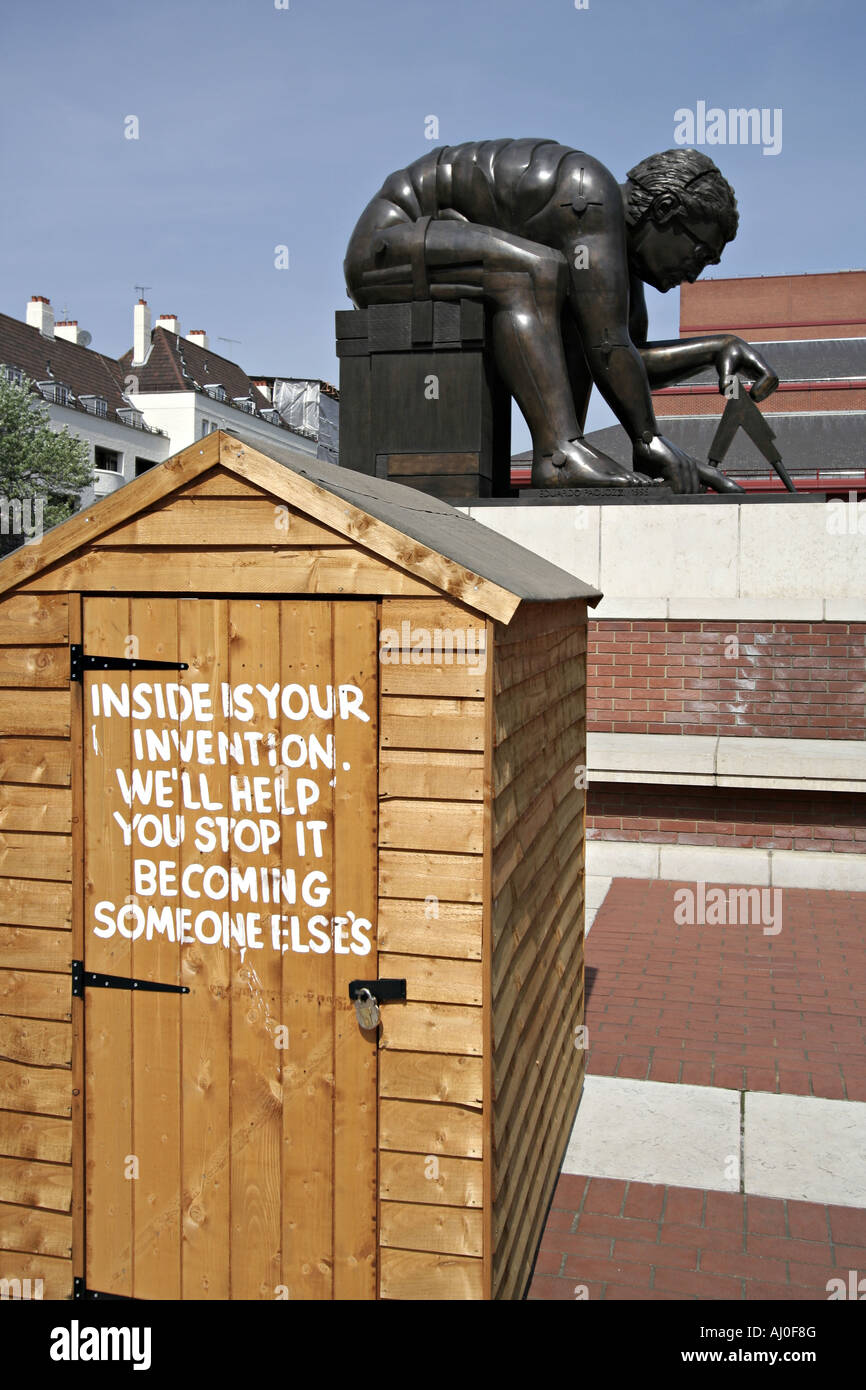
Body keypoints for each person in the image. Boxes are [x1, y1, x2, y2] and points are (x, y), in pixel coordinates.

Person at [344, 140, 779, 492]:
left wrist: (716, 349)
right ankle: (560, 455)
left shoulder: (614, 253)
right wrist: (648, 440)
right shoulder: (590, 194)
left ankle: (568, 449)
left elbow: (627, 360)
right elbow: (609, 348)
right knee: (535, 272)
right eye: (698, 254)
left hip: (428, 244)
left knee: (569, 299)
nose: (693, 274)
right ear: (664, 209)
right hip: (385, 245)